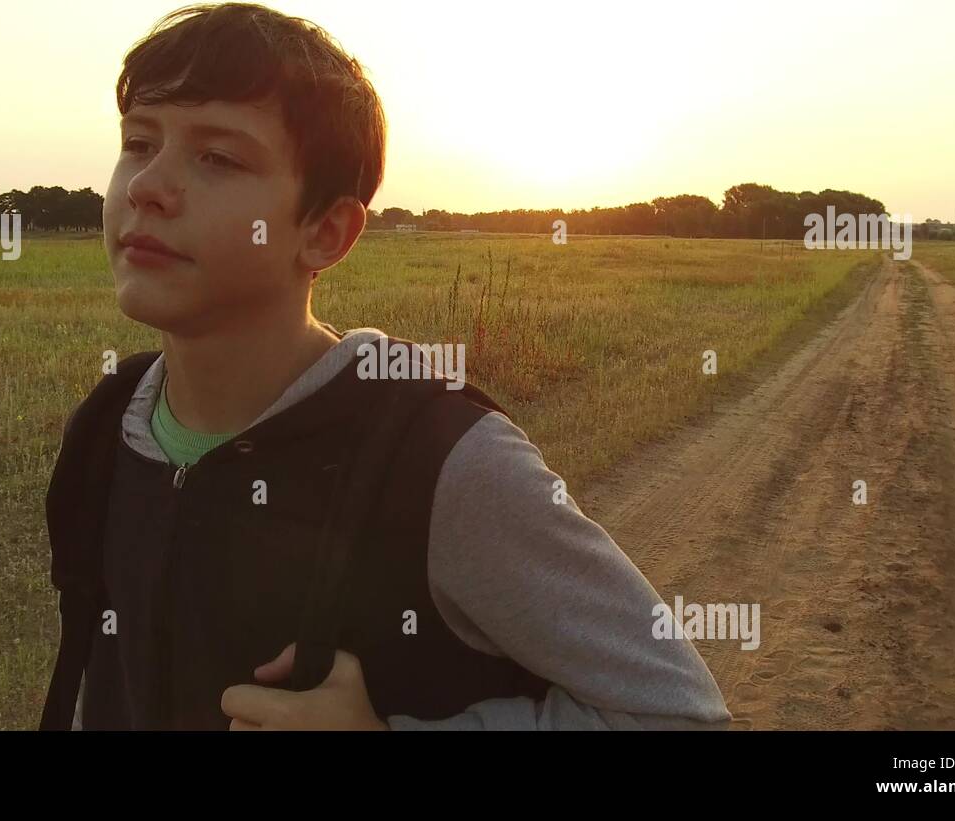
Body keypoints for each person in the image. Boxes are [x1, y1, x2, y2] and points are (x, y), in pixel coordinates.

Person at [45, 1, 730, 731]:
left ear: (326, 231)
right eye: (138, 142)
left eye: (218, 157)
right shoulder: (107, 431)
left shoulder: (442, 460)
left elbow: (683, 714)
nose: (148, 185)